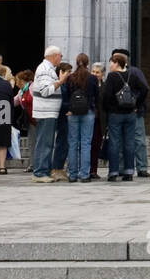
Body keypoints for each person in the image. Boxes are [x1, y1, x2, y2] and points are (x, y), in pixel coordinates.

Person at [31, 46, 68, 182]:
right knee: (45, 143)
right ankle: (40, 173)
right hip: (46, 112)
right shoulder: (45, 70)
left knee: (47, 142)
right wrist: (61, 81)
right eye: (60, 55)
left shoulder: (48, 69)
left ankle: (44, 171)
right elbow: (46, 91)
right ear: (54, 56)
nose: (61, 58)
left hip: (48, 111)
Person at [102, 52, 140, 180]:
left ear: (117, 63)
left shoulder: (112, 76)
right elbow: (145, 89)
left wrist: (108, 108)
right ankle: (129, 172)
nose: (110, 66)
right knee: (129, 142)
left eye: (111, 63)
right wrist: (136, 104)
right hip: (130, 113)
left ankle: (113, 172)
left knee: (114, 143)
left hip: (115, 114)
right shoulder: (132, 75)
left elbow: (106, 95)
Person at [63, 54, 99, 183]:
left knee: (73, 143)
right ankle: (84, 174)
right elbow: (96, 95)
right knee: (86, 144)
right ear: (88, 63)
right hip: (88, 111)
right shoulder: (92, 78)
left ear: (76, 62)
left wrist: (68, 109)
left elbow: (66, 96)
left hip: (72, 113)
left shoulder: (71, 78)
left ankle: (72, 175)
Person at [119, 50, 150, 178]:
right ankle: (123, 168)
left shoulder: (135, 72)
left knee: (139, 140)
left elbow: (144, 89)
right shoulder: (114, 73)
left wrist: (137, 105)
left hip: (135, 112)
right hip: (120, 112)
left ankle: (142, 167)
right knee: (121, 141)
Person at [13, 69, 34, 170]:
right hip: (29, 120)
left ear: (22, 80)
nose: (16, 84)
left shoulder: (33, 87)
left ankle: (39, 164)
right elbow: (14, 102)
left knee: (39, 142)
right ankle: (32, 164)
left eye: (17, 81)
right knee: (31, 142)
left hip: (38, 119)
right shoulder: (21, 91)